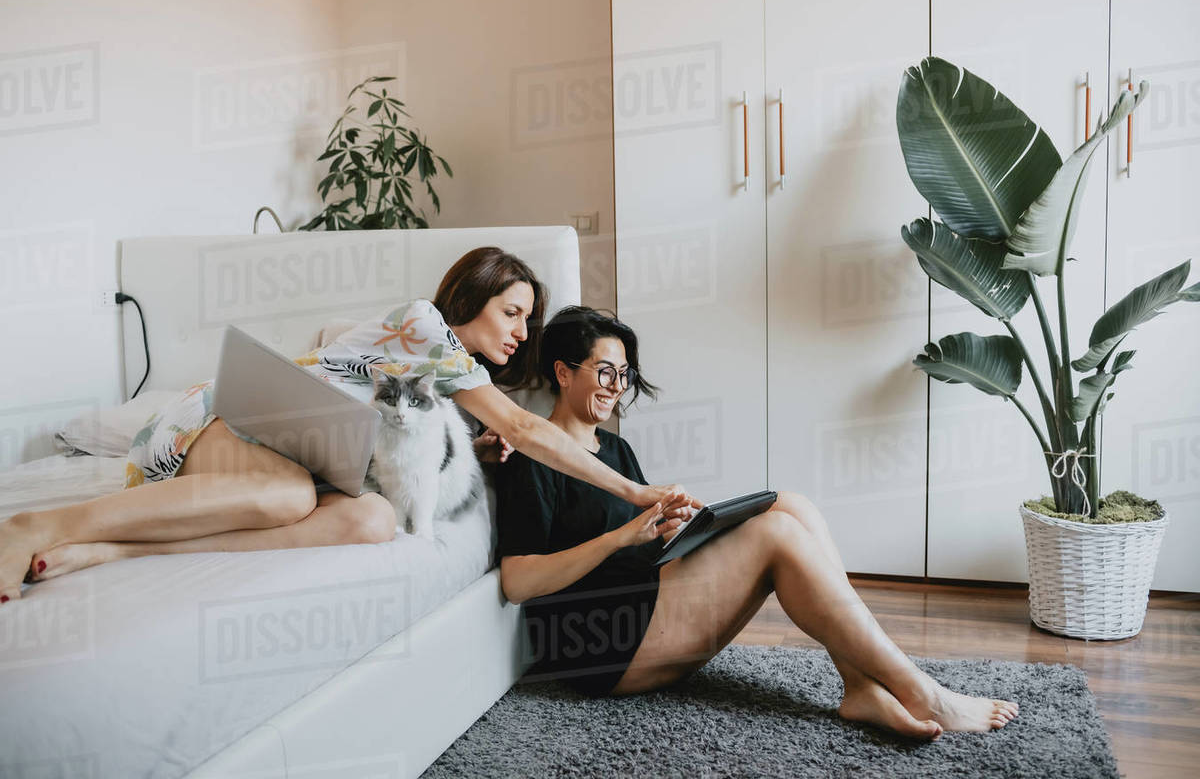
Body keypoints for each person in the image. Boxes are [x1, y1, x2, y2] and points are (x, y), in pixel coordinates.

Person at [0, 249, 696, 603]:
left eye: (529, 319)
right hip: (227, 417)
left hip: (298, 456)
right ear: (474, 293)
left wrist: (480, 450)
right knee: (287, 498)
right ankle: (43, 522)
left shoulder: (446, 386)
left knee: (370, 523)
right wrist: (635, 494)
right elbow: (526, 423)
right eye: (513, 312)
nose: (522, 332)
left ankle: (120, 553)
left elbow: (414, 454)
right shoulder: (425, 323)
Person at [494, 306, 1019, 740]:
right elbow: (518, 580)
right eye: (604, 371)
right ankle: (921, 693)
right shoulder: (530, 459)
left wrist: (673, 528)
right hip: (596, 644)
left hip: (643, 597)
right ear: (563, 372)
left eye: (623, 374)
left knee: (792, 506)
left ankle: (862, 687)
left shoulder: (615, 448)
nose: (616, 386)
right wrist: (622, 536)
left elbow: (637, 544)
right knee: (777, 534)